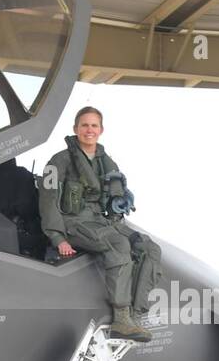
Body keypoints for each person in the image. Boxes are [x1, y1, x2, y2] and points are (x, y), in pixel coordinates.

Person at [39, 106, 161, 342]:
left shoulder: (108, 164)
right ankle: (122, 318)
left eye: (94, 125)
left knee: (150, 248)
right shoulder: (59, 161)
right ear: (75, 129)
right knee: (118, 245)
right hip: (73, 222)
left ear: (101, 130)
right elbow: (48, 200)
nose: (89, 130)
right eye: (84, 125)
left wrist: (120, 202)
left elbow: (115, 198)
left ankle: (133, 314)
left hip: (103, 221)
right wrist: (58, 237)